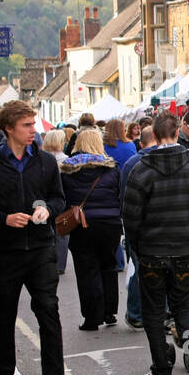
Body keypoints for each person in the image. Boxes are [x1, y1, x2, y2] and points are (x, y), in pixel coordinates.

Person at [122, 112, 189, 375]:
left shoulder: (141, 169)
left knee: (153, 310)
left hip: (152, 249)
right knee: (183, 303)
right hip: (185, 247)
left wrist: (136, 246)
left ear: (154, 134)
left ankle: (161, 370)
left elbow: (131, 215)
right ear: (176, 133)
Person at [0, 101, 70, 375]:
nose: (32, 131)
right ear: (8, 128)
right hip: (4, 251)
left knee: (48, 310)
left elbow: (59, 199)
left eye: (33, 124)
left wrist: (47, 210)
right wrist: (4, 219)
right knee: (4, 313)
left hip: (39, 248)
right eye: (26, 125)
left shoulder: (46, 162)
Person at [61, 128, 122, 331]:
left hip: (81, 224)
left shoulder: (67, 170)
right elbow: (119, 196)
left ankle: (92, 317)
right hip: (110, 223)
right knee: (108, 265)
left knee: (87, 269)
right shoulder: (112, 168)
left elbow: (63, 199)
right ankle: (109, 312)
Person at [119, 125, 155, 328]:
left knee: (137, 269)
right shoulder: (170, 160)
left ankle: (136, 313)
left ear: (140, 143)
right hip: (163, 225)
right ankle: (164, 312)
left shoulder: (131, 163)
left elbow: (124, 198)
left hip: (138, 225)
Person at [41, 130, 70, 274]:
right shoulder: (67, 161)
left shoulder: (41, 160)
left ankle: (46, 261)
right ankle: (59, 264)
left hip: (43, 200)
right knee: (62, 233)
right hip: (61, 200)